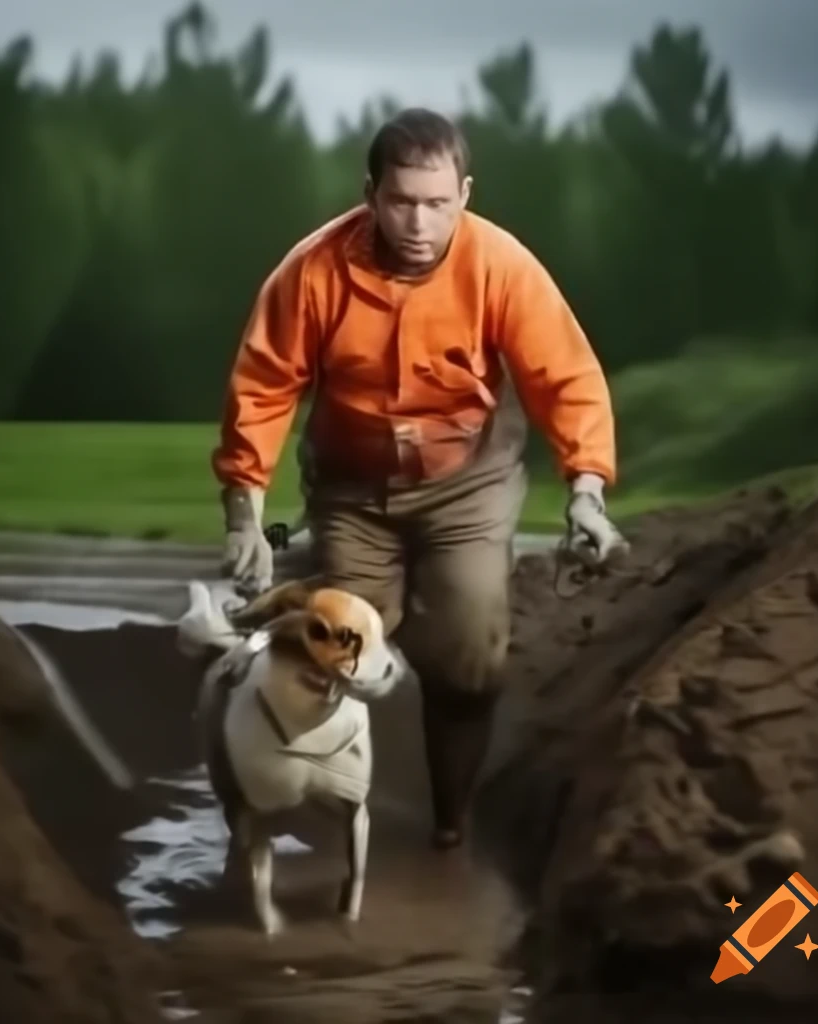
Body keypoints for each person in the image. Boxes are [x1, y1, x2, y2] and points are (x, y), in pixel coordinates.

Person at [210, 107, 628, 850]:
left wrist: (587, 490)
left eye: (437, 203)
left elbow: (565, 378)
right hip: (352, 488)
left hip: (468, 482)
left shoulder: (502, 266)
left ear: (464, 193)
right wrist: (244, 513)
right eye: (401, 201)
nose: (419, 224)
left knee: (469, 651)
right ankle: (289, 781)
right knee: (344, 641)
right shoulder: (311, 272)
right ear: (370, 193)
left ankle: (451, 821)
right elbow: (262, 388)